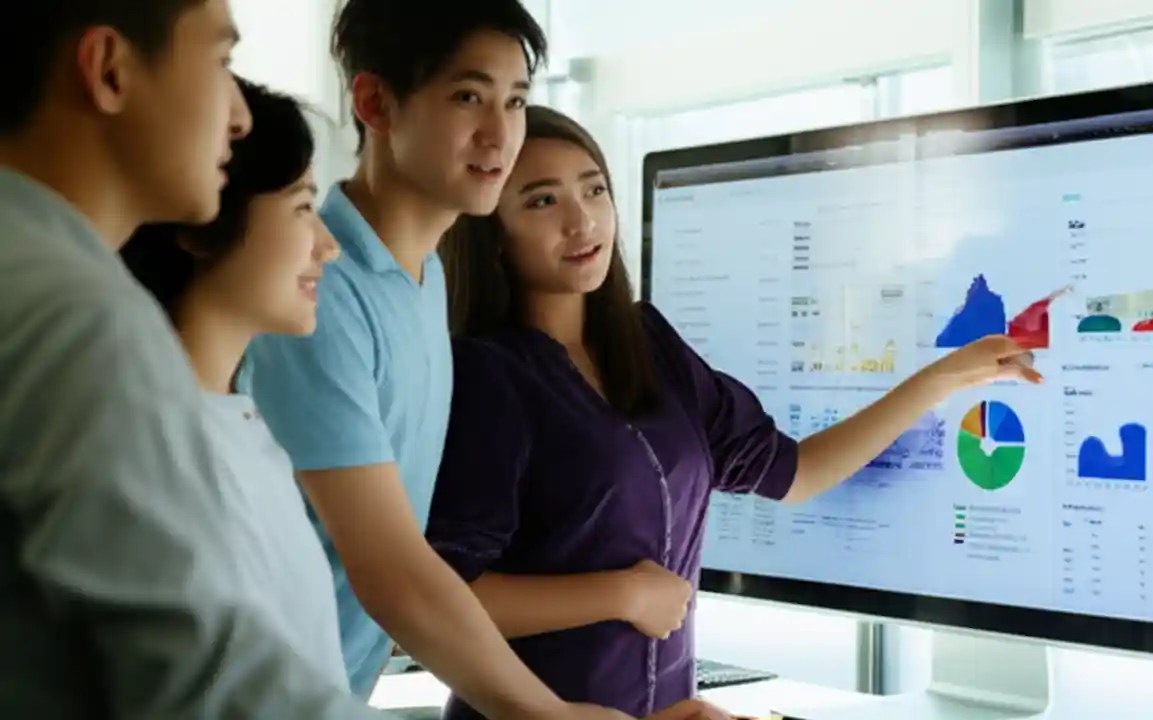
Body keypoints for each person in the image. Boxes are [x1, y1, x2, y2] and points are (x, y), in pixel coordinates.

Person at [429, 105, 1045, 719]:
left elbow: (796, 472)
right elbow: (440, 599)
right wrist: (620, 594)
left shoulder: (647, 345)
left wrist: (942, 378)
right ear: (491, 231)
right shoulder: (489, 375)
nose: (581, 219)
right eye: (542, 201)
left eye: (594, 189)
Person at [237, 3, 725, 720]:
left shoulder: (425, 281)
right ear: (375, 103)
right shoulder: (323, 291)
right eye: (468, 97)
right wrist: (550, 714)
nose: (501, 135)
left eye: (517, 100)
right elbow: (397, 575)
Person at [0, 1, 382, 717]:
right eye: (220, 62)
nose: (237, 116)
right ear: (109, 70)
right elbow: (201, 682)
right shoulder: (77, 315)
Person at [120, 75, 348, 690]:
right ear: (200, 220)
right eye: (302, 207)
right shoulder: (154, 454)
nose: (327, 247)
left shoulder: (238, 421)